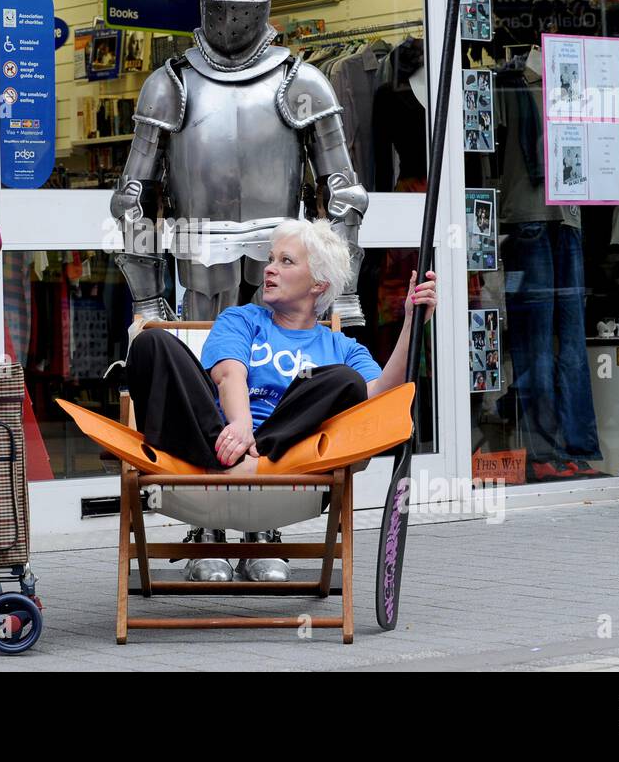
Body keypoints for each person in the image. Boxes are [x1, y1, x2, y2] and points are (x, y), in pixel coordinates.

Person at [125, 218, 436, 582]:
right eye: (271, 259)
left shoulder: (340, 347)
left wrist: (412, 323)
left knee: (344, 381)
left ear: (318, 283)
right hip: (214, 448)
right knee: (151, 343)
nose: (269, 269)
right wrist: (240, 426)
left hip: (288, 469)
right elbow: (229, 373)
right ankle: (214, 525)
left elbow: (379, 394)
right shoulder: (242, 319)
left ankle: (259, 494)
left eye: (286, 261)